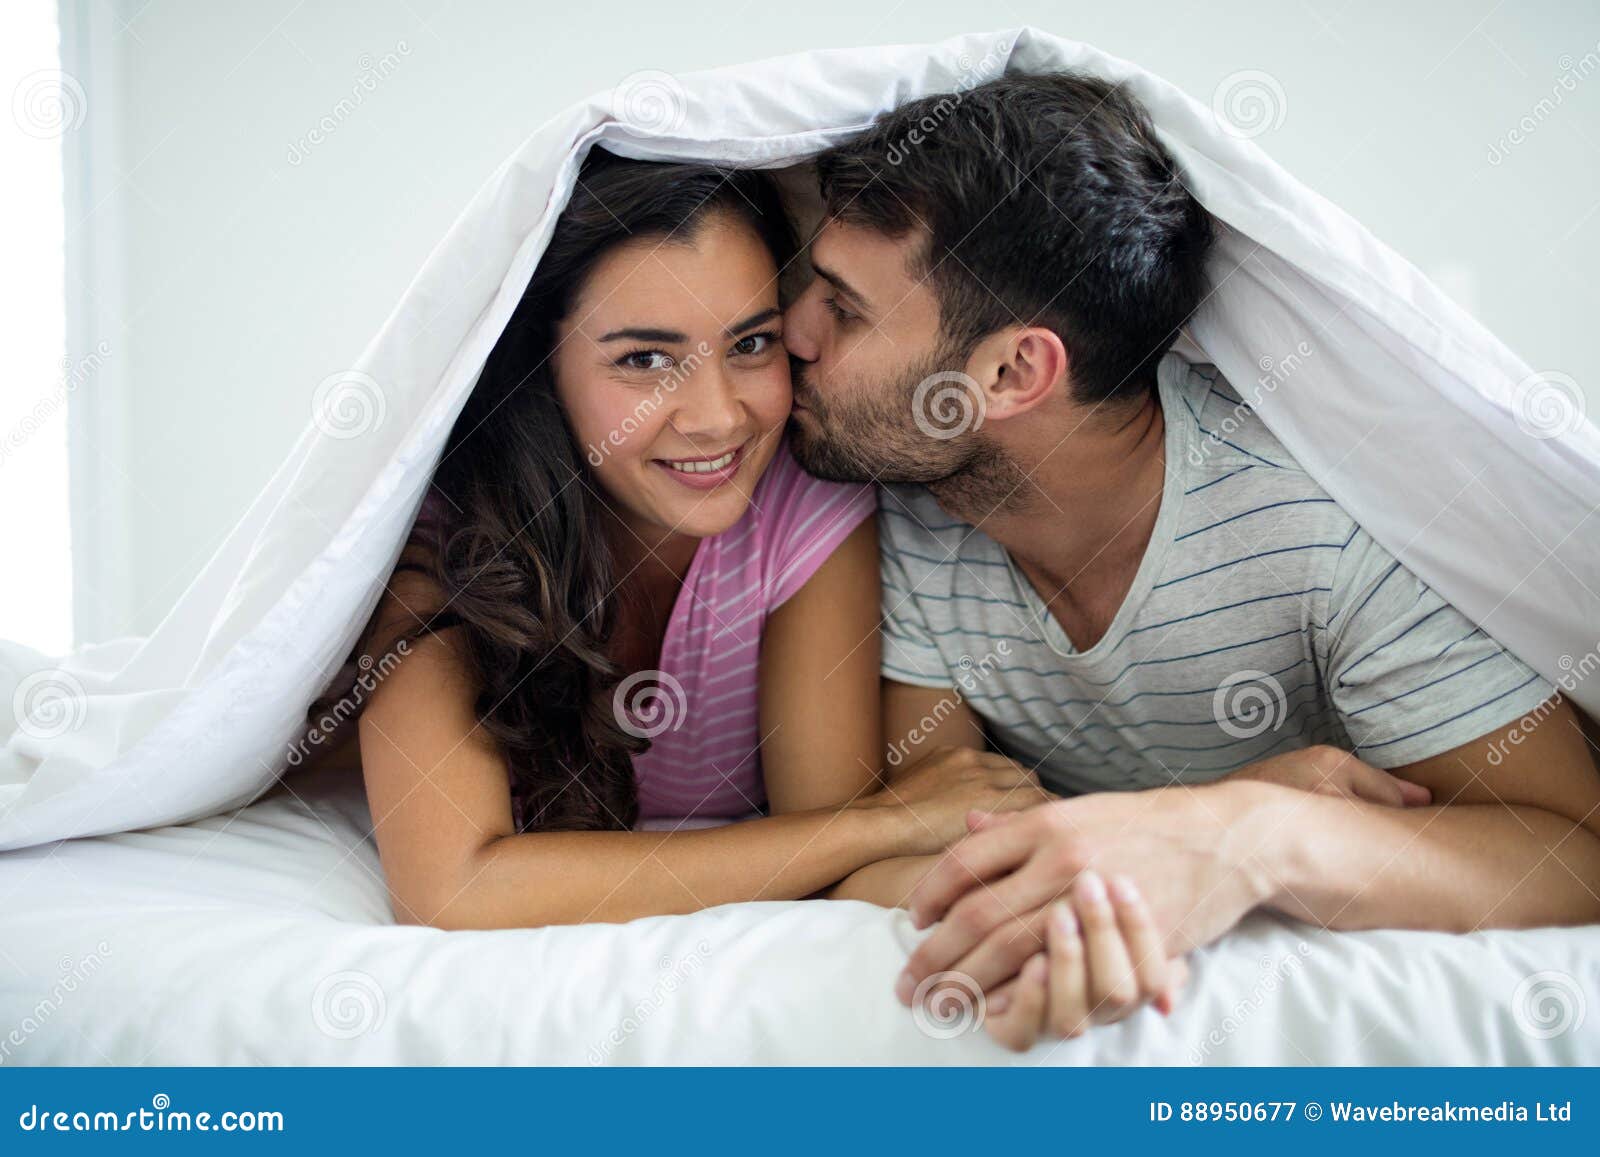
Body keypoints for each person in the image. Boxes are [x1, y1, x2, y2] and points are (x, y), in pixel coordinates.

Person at [783, 71, 1600, 1050]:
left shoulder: (1324, 529)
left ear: (1010, 372)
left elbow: (1572, 856)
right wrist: (1151, 843)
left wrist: (1248, 834)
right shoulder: (913, 508)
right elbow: (898, 853)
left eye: (844, 308)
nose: (791, 330)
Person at [301, 146, 1058, 930]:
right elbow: (452, 888)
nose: (717, 416)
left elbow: (834, 870)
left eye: (750, 344)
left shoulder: (806, 507)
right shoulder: (449, 541)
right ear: (541, 368)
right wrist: (889, 821)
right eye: (646, 359)